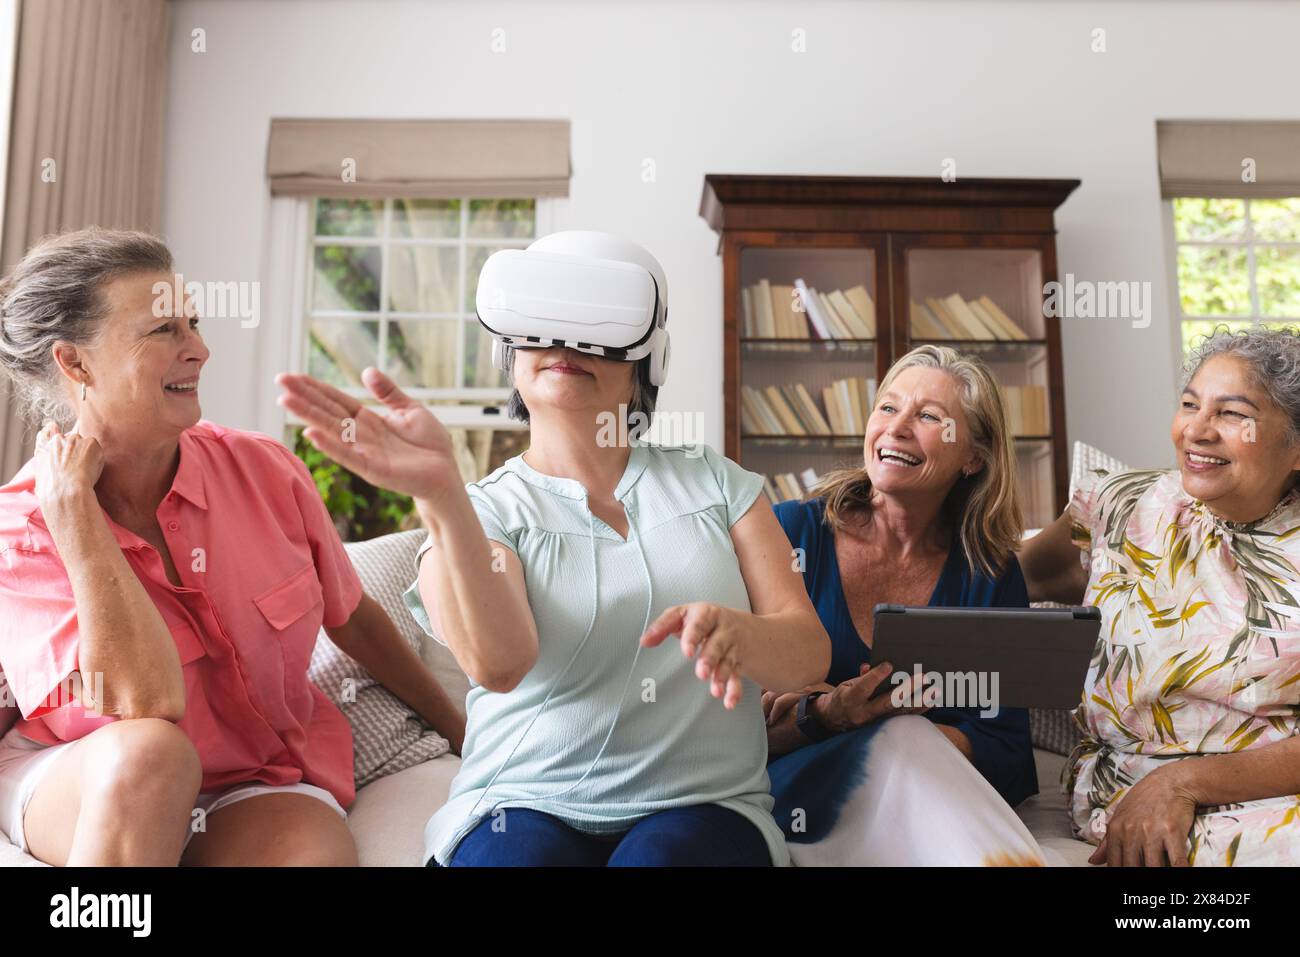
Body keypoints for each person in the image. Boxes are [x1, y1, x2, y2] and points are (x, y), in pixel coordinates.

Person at [277, 231, 831, 866]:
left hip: (702, 803)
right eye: (542, 326)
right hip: (522, 804)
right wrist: (442, 496)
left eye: (597, 326)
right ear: (508, 354)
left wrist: (744, 636)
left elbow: (808, 656)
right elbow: (500, 662)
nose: (565, 345)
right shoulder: (481, 509)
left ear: (647, 363)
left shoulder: (719, 484)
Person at [0, 228, 464, 866]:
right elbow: (145, 703)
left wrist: (464, 729)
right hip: (83, 776)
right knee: (151, 754)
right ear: (76, 364)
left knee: (315, 861)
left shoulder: (264, 470)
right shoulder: (22, 527)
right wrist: (76, 518)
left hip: (250, 775)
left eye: (193, 323)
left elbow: (352, 617)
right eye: (164, 331)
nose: (200, 349)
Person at [1021, 326, 1300, 867]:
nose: (1197, 430)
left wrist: (1188, 780)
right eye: (1190, 404)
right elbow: (1005, 582)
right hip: (1134, 795)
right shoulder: (1123, 506)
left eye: (1233, 413)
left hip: (1260, 785)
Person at [762, 345, 1046, 866]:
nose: (896, 428)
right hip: (799, 794)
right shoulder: (788, 533)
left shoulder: (989, 571)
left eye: (929, 416)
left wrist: (888, 728)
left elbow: (1005, 750)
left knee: (906, 733)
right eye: (888, 408)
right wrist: (834, 717)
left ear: (974, 456)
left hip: (924, 797)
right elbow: (729, 720)